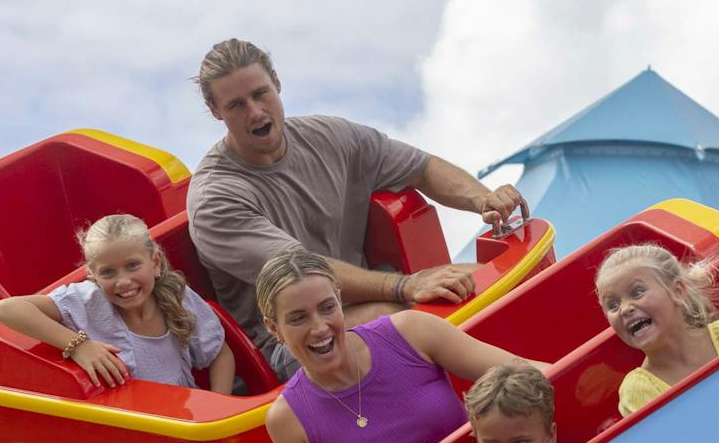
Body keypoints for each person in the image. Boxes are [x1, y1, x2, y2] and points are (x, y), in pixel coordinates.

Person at [186, 38, 527, 377]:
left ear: (277, 83)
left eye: (260, 94)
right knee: (413, 319)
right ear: (216, 112)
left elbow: (420, 167)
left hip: (371, 299)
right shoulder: (215, 198)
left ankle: (540, 381)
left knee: (495, 281)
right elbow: (305, 273)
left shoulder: (328, 136)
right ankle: (525, 382)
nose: (255, 112)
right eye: (236, 105)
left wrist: (484, 199)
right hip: (297, 340)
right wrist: (405, 286)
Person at [258, 248, 543, 443]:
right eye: (298, 319)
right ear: (274, 329)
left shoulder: (410, 331)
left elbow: (530, 373)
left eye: (327, 307)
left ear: (339, 298)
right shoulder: (287, 421)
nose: (319, 327)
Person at [0, 214, 233, 392]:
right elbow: (5, 309)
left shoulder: (178, 296)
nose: (123, 282)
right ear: (93, 276)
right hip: (122, 423)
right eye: (108, 273)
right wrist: (78, 346)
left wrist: (218, 407)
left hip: (182, 418)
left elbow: (220, 354)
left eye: (132, 266)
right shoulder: (86, 301)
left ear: (155, 262)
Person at [595, 244, 719, 416]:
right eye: (613, 305)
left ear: (677, 291)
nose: (625, 308)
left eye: (637, 292)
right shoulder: (638, 391)